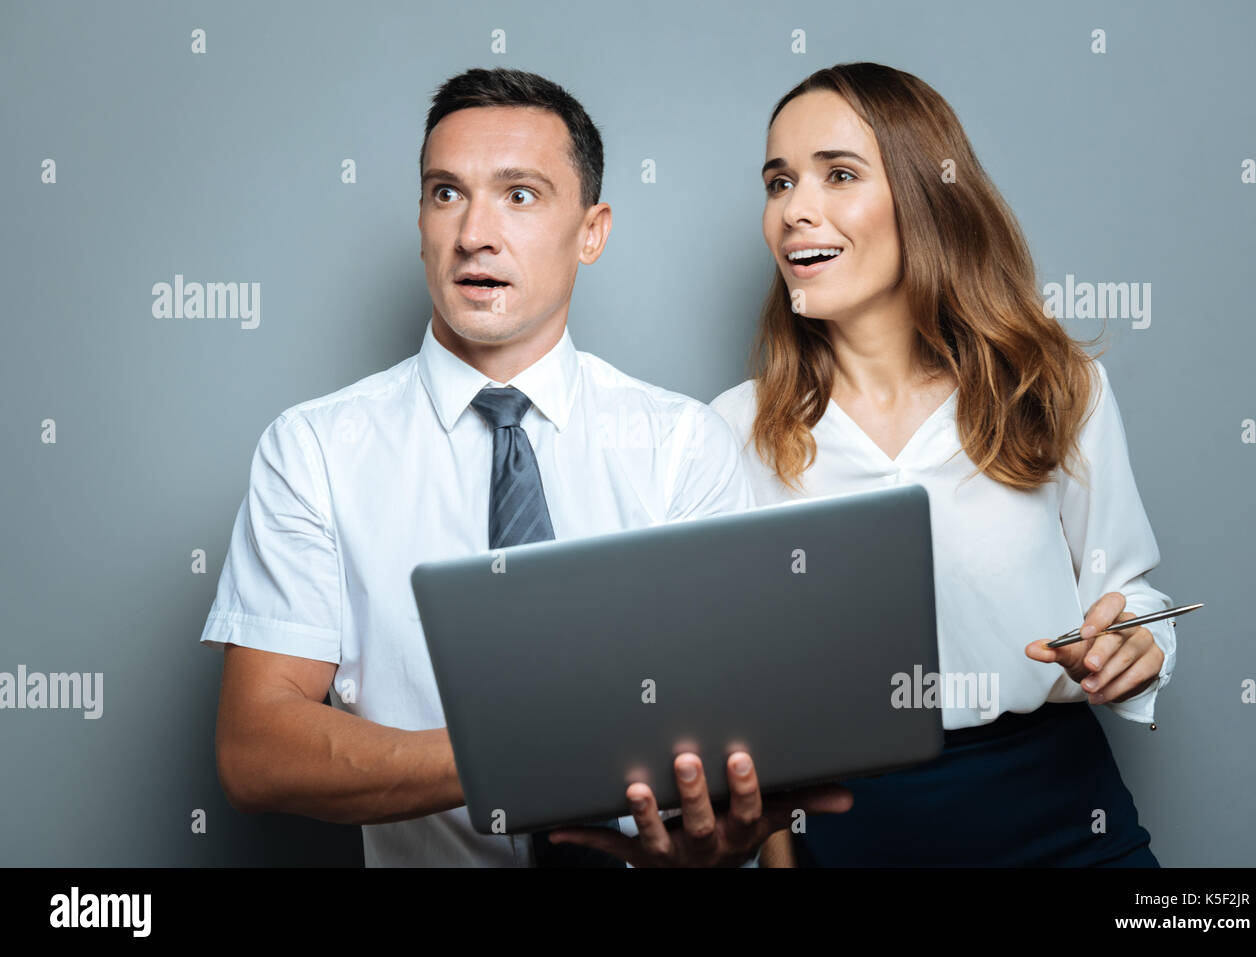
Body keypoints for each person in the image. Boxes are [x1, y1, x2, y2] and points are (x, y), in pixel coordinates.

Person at [201, 67, 850, 868]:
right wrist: (527, 753)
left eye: (520, 195)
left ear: (592, 230)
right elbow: (255, 750)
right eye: (446, 194)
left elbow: (727, 733)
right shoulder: (314, 450)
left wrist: (713, 844)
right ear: (420, 220)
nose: (475, 232)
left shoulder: (682, 444)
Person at [709, 62, 1175, 867]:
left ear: (925, 196)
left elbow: (1128, 590)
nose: (795, 210)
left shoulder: (1054, 387)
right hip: (847, 822)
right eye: (778, 182)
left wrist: (1137, 642)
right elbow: (740, 687)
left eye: (839, 175)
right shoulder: (731, 430)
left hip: (1059, 812)